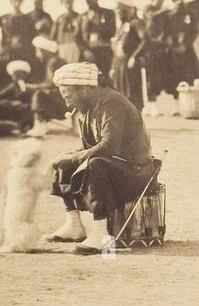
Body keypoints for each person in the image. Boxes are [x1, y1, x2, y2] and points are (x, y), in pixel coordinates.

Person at [45, 61, 159, 256]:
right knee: (62, 162)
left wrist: (74, 158)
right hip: (116, 166)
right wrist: (67, 158)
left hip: (136, 170)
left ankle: (101, 234)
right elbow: (91, 148)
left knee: (95, 164)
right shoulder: (88, 107)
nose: (67, 102)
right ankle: (74, 225)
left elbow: (108, 147)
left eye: (69, 96)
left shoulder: (111, 102)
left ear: (85, 89)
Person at [0, 0, 35, 86]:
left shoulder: (27, 19)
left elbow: (33, 36)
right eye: (15, 0)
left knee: (23, 79)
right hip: (7, 54)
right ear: (11, 2)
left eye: (19, 1)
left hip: (23, 54)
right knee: (2, 80)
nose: (17, 3)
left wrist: (27, 47)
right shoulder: (4, 18)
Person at [111, 0, 147, 107]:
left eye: (121, 10)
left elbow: (145, 40)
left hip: (129, 65)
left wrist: (134, 57)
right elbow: (116, 45)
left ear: (128, 9)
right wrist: (113, 66)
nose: (119, 13)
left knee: (132, 95)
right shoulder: (122, 25)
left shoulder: (136, 23)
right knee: (120, 96)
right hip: (119, 65)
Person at [80, 0, 116, 84]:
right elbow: (78, 36)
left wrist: (97, 22)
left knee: (105, 79)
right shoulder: (83, 16)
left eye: (90, 0)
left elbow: (111, 32)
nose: (88, 2)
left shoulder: (108, 13)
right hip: (89, 52)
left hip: (104, 51)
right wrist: (85, 50)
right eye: (86, 0)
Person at [168, 0, 199, 86]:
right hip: (174, 50)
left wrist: (186, 44)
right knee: (175, 79)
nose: (179, 0)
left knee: (191, 77)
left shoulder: (190, 12)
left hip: (187, 49)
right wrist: (172, 44)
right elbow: (167, 31)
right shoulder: (170, 14)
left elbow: (195, 30)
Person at [52, 0, 84, 64]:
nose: (69, 5)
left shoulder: (79, 16)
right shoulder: (59, 19)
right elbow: (54, 35)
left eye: (70, 2)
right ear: (62, 3)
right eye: (66, 3)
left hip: (75, 46)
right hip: (62, 45)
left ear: (73, 1)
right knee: (63, 66)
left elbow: (82, 33)